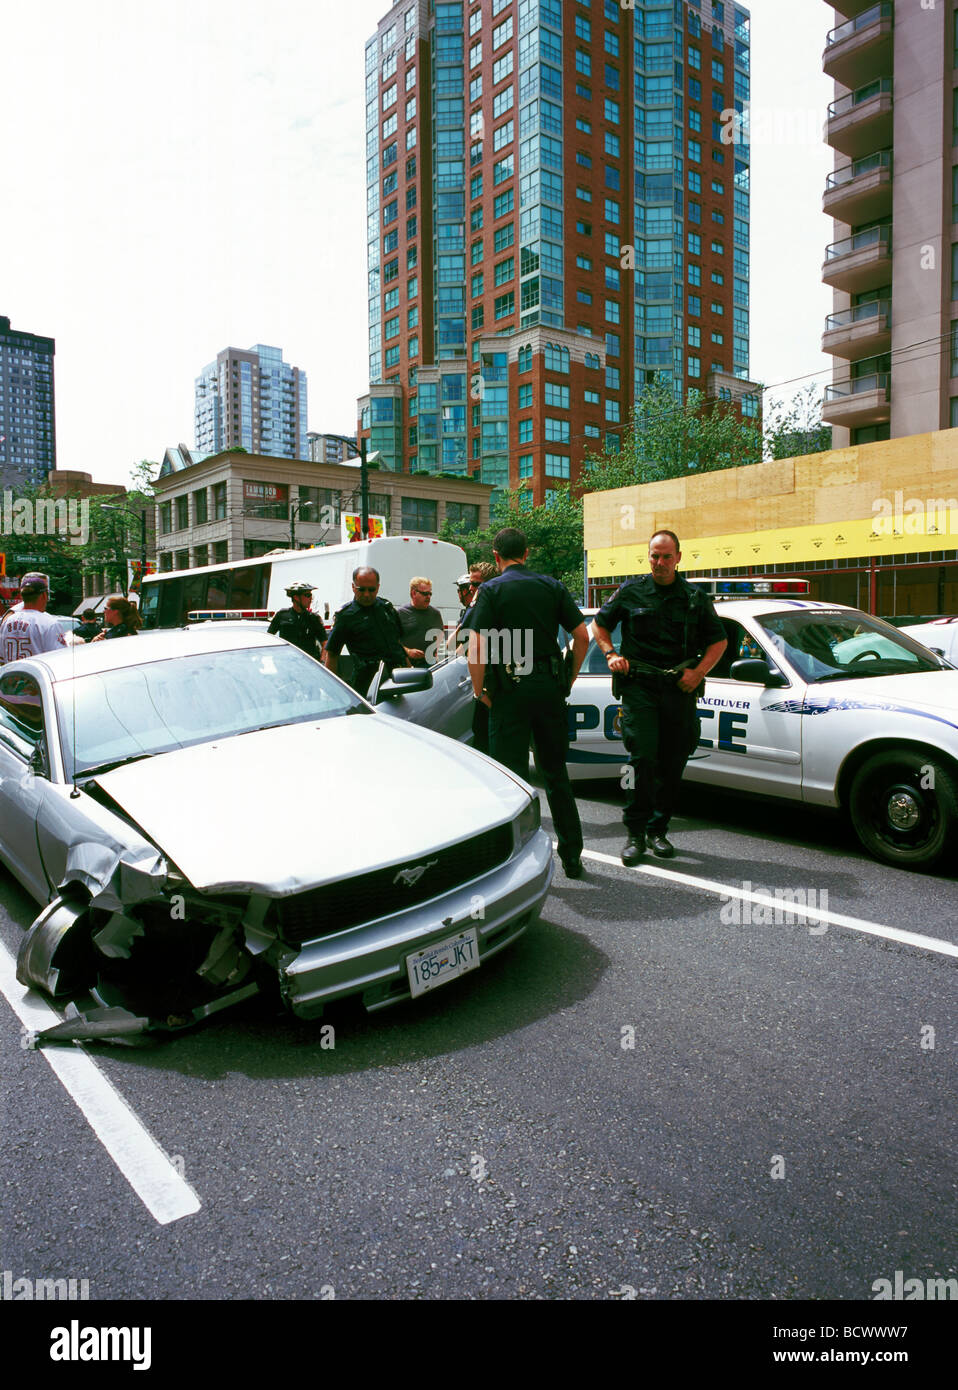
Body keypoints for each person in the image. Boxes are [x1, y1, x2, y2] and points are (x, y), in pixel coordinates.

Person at [591, 530, 727, 865]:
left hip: (679, 688)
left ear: (678, 557)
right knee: (642, 759)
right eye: (654, 555)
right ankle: (635, 833)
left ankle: (658, 830)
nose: (660, 562)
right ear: (648, 556)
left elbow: (718, 641)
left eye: (667, 556)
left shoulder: (695, 597)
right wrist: (610, 654)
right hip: (640, 687)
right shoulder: (630, 591)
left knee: (673, 760)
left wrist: (699, 673)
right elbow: (599, 624)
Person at [467, 527, 589, 879]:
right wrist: (568, 677)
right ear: (526, 553)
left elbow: (476, 647)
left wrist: (480, 691)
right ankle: (572, 856)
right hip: (549, 688)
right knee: (556, 775)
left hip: (509, 692)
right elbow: (582, 636)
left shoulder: (490, 590)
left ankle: (520, 862)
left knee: (514, 781)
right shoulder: (551, 586)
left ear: (496, 556)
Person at [323, 566, 409, 696]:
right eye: (361, 589)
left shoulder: (387, 608)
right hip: (367, 683)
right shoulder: (346, 616)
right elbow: (332, 655)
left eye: (371, 589)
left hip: (397, 678)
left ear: (378, 587)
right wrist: (332, 691)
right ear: (353, 587)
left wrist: (409, 670)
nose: (366, 594)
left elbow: (397, 643)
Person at [455, 561, 497, 754]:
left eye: (476, 584)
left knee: (485, 741)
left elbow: (464, 648)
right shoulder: (478, 606)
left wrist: (480, 694)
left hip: (492, 684)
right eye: (470, 585)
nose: (471, 589)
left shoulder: (483, 607)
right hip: (485, 682)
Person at [0, 574, 67, 664]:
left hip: (11, 675)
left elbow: (2, 657)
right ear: (44, 595)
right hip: (36, 676)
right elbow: (59, 658)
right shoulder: (49, 623)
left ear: (22, 596)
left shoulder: (7, 621)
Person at [267, 581, 327, 661]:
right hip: (287, 662)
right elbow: (269, 638)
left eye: (311, 595)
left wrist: (322, 662)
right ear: (296, 597)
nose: (310, 599)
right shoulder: (282, 615)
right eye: (307, 595)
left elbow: (325, 643)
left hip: (308, 664)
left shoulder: (313, 618)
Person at [397, 576, 445, 668]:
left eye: (430, 594)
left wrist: (438, 655)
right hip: (407, 665)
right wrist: (408, 652)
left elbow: (440, 637)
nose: (428, 597)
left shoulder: (435, 614)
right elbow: (394, 641)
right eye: (425, 594)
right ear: (413, 593)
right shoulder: (400, 613)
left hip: (430, 666)